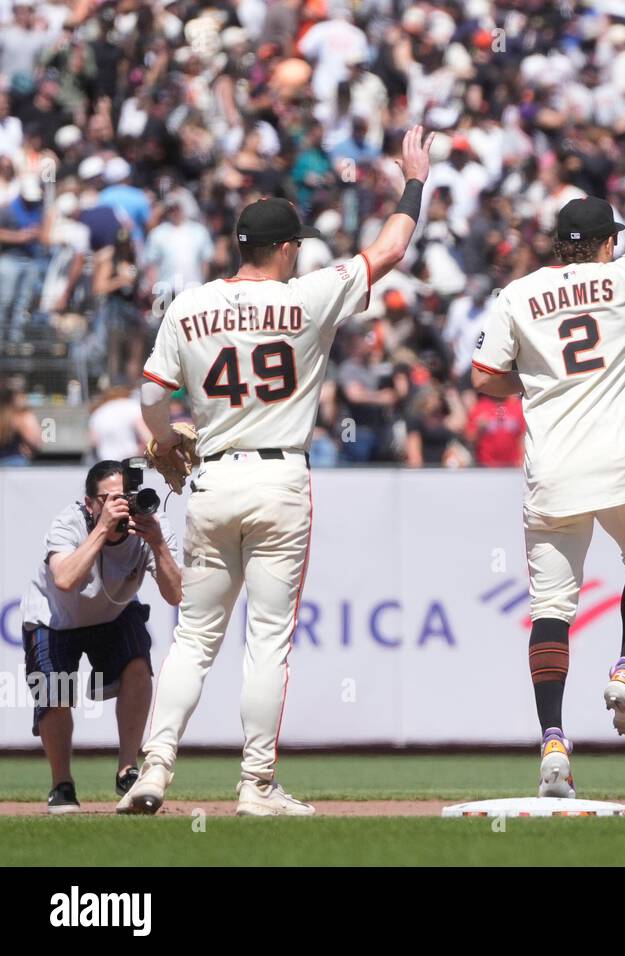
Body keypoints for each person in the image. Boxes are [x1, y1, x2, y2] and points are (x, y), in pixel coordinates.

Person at [118, 127, 435, 817]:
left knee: (194, 640)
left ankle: (152, 770)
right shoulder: (309, 296)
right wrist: (414, 178)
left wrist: (166, 443)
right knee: (266, 643)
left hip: (210, 478)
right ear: (287, 247)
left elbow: (149, 398)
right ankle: (255, 785)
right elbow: (390, 248)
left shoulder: (190, 304)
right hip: (279, 480)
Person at [471, 88, 625, 799]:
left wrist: (536, 383)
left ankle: (552, 747)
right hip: (622, 462)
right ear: (608, 242)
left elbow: (484, 379)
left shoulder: (517, 295)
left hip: (553, 473)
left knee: (551, 608)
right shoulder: (624, 278)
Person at [21, 461, 181, 813]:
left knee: (138, 666)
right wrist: (102, 530)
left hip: (114, 610)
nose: (118, 507)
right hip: (56, 616)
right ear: (89, 503)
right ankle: (62, 784)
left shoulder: (149, 524)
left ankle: (127, 769)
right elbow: (65, 579)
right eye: (108, 500)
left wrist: (158, 544)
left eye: (123, 498)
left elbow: (175, 594)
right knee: (54, 690)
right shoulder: (70, 522)